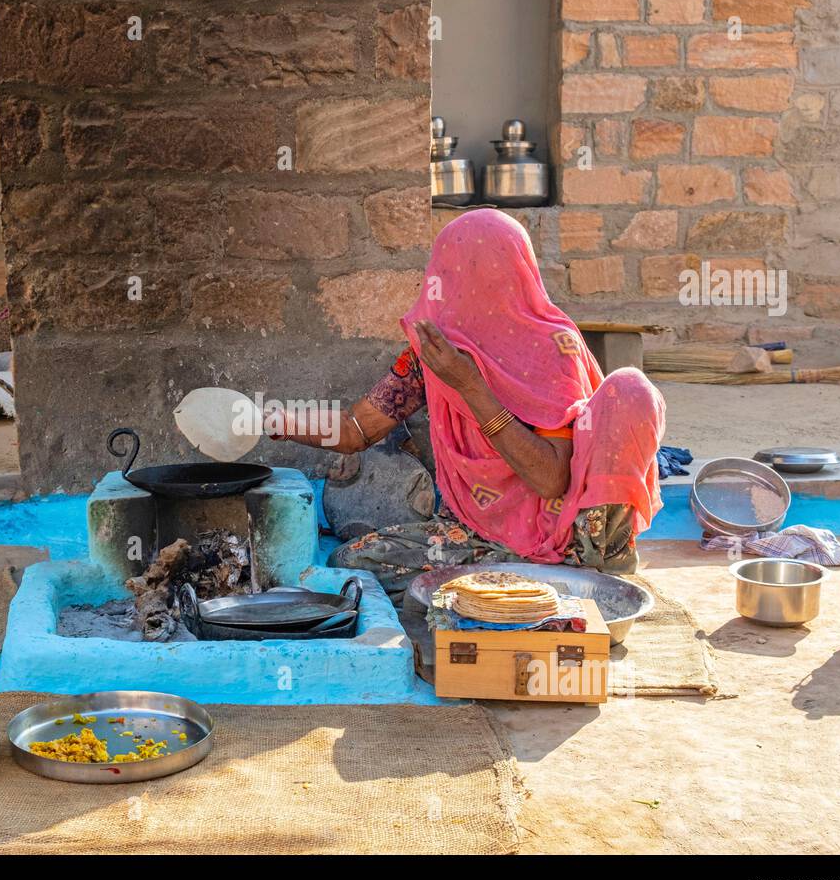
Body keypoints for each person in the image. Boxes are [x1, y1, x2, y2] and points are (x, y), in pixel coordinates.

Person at [267, 209, 666, 602]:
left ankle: (563, 571)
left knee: (630, 388)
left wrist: (470, 386)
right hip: (482, 533)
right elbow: (358, 429)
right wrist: (277, 422)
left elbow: (550, 481)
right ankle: (523, 577)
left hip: (567, 533)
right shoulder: (435, 353)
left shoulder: (554, 348)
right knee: (351, 562)